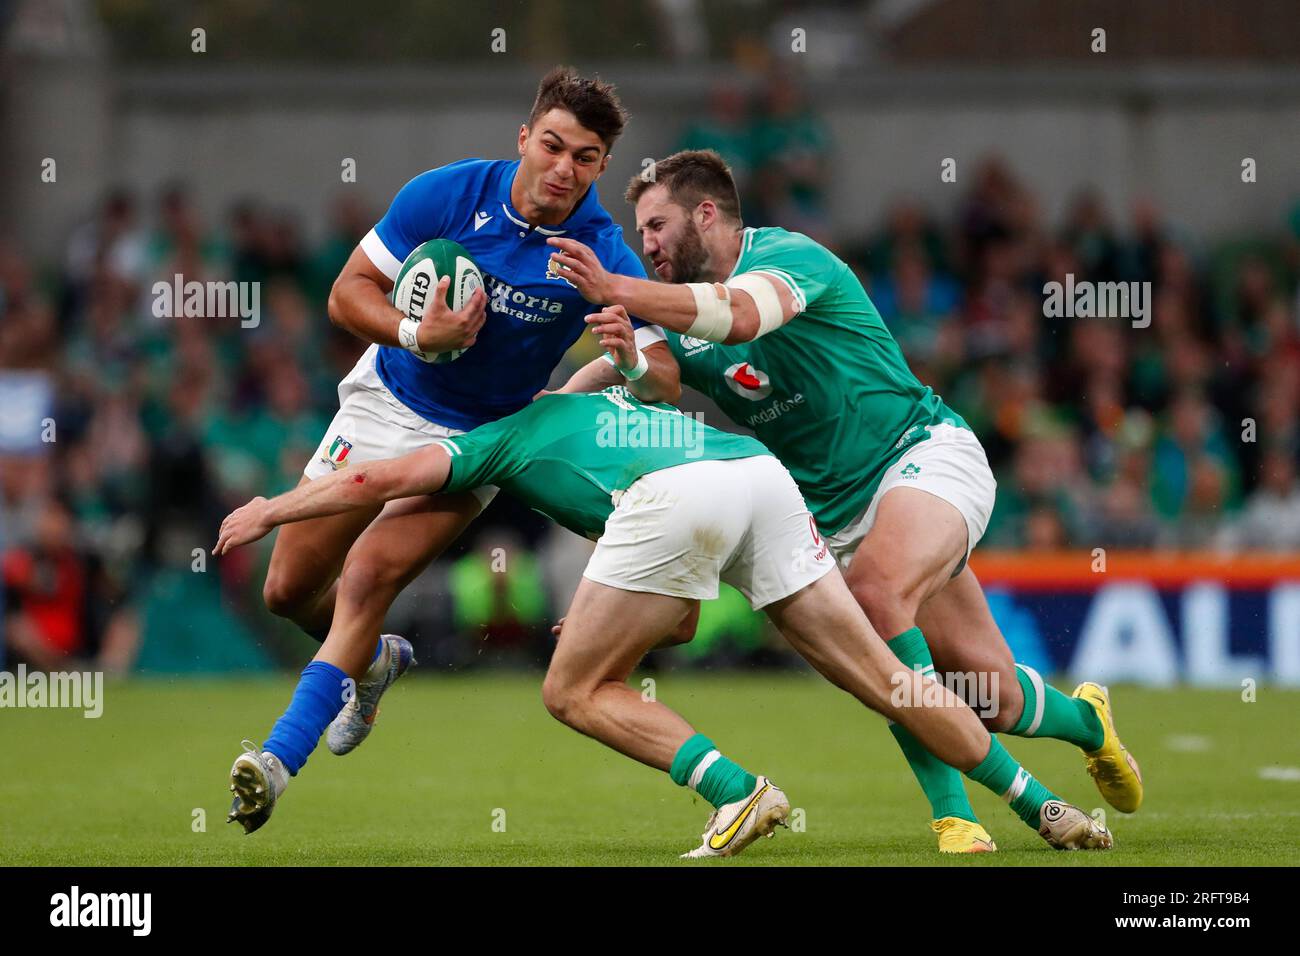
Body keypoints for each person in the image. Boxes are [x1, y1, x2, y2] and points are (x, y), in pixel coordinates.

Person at [215, 387, 1112, 858]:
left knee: (570, 691)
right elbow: (680, 616)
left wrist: (274, 509)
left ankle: (737, 793)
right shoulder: (586, 402)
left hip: (674, 502)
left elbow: (374, 481)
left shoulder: (488, 437)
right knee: (885, 678)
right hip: (755, 476)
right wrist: (619, 627)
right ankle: (1047, 806)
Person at [544, 149, 1142, 853]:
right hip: (839, 516)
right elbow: (654, 374)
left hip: (920, 456)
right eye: (639, 232)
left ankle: (957, 813)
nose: (645, 244)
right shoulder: (676, 315)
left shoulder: (790, 260)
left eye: (657, 225)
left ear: (707, 214)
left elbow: (737, 318)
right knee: (995, 697)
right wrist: (549, 409)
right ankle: (1088, 724)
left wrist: (614, 285)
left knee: (877, 595)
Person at [260, 68, 679, 755]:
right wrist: (418, 333)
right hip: (387, 397)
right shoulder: (448, 193)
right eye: (551, 145)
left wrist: (631, 357)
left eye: (585, 158)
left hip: (478, 439)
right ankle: (373, 662)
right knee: (286, 589)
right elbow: (346, 295)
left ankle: (280, 755)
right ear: (524, 137)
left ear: (603, 163)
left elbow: (664, 379)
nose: (564, 169)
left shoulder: (599, 249)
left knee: (368, 575)